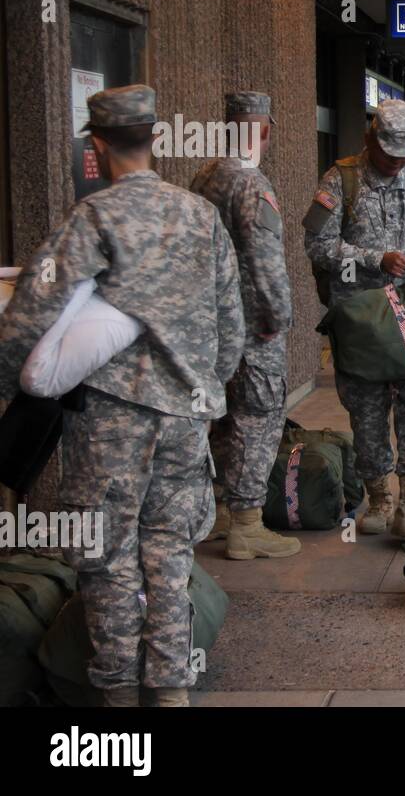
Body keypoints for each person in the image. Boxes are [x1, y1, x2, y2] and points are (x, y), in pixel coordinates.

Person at [0, 85, 245, 706]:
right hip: (186, 414)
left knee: (107, 554)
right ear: (157, 139)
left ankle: (116, 696)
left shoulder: (94, 218)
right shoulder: (200, 215)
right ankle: (170, 690)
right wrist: (203, 384)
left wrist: (8, 382)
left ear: (98, 145)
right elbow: (231, 323)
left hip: (111, 416)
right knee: (169, 549)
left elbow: (35, 308)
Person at [303, 100, 405, 539]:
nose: (397, 163)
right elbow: (318, 246)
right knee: (367, 409)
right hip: (363, 321)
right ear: (369, 139)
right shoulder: (340, 180)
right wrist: (374, 258)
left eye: (403, 154)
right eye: (389, 154)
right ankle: (379, 497)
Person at [190, 91, 298, 560]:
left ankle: (215, 514)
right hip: (254, 329)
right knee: (258, 419)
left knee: (221, 419)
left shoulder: (206, 176)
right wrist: (278, 317)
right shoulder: (252, 184)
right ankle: (247, 525)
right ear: (265, 131)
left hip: (211, 326)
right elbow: (263, 261)